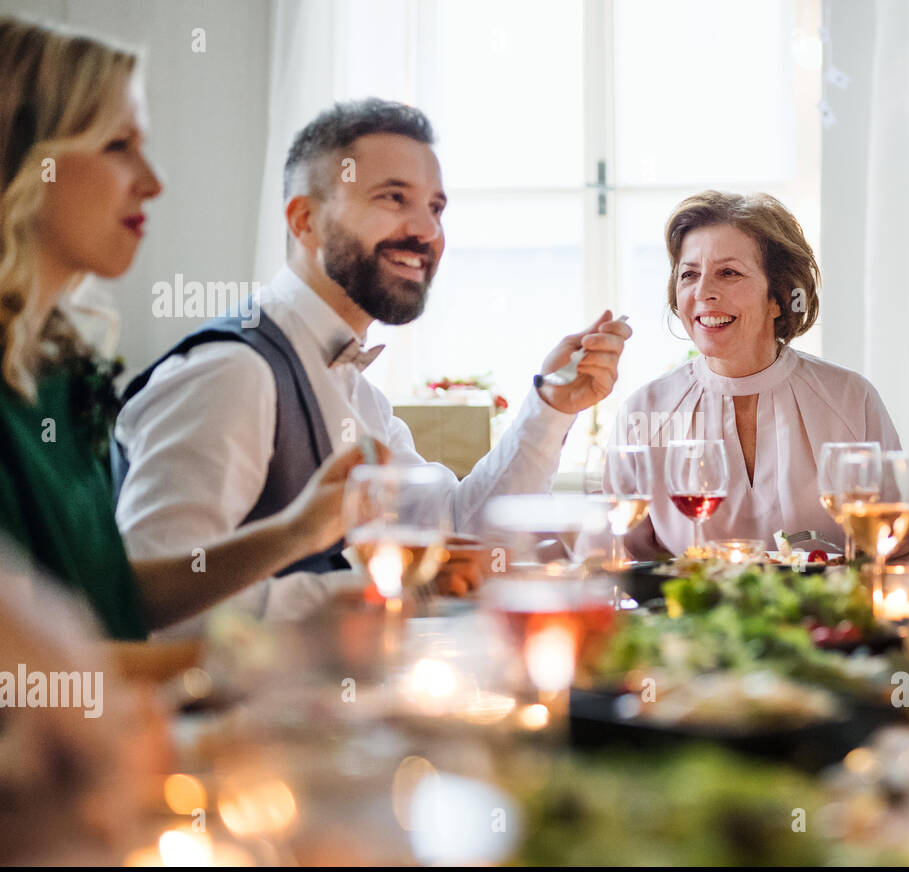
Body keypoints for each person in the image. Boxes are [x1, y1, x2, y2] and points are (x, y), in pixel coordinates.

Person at [115, 99, 631, 621]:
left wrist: (550, 407)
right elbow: (153, 608)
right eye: (394, 198)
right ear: (305, 220)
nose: (426, 231)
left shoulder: (358, 395)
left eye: (436, 208)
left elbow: (455, 532)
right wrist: (371, 598)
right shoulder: (232, 372)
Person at [0, 16, 369, 641]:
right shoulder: (233, 366)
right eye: (118, 146)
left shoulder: (60, 373)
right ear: (24, 159)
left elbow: (114, 603)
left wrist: (300, 532)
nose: (154, 181)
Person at [610, 190, 902, 558]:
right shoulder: (645, 410)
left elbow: (895, 546)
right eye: (689, 274)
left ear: (777, 297)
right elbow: (623, 559)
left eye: (728, 273)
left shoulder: (850, 398)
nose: (703, 292)